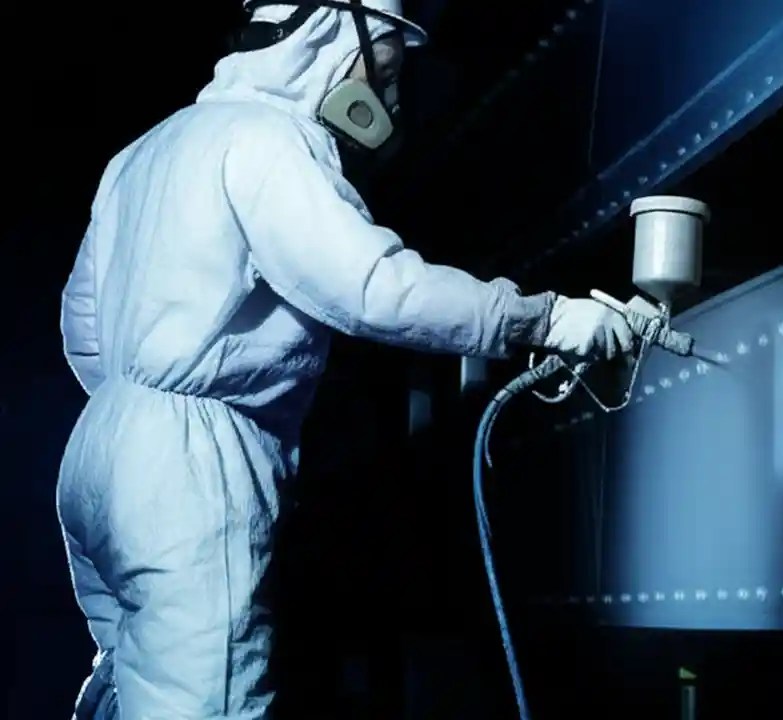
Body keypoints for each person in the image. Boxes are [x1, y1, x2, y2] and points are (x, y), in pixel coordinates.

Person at [57, 1, 634, 717]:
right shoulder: (271, 139)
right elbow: (375, 288)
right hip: (189, 467)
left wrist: (140, 408)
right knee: (207, 702)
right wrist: (543, 317)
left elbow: (81, 325)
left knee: (128, 685)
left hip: (98, 455)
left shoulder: (141, 154)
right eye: (383, 66)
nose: (387, 95)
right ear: (327, 37)